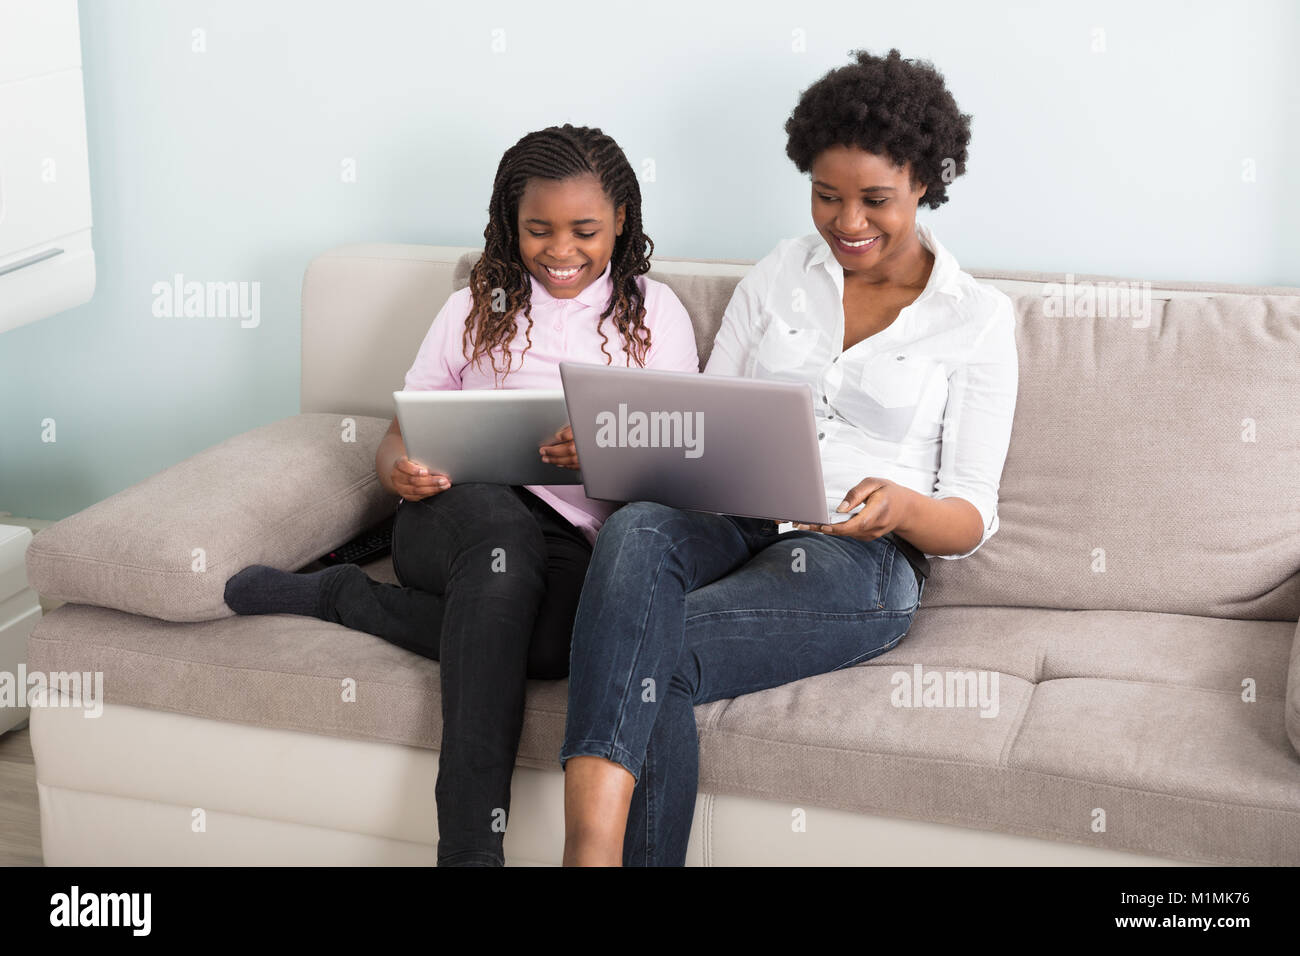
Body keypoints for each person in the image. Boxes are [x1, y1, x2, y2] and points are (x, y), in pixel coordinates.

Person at [559, 49, 1020, 866]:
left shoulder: (976, 319)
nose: (848, 223)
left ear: (925, 183)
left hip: (856, 556)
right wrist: (614, 443)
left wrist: (903, 508)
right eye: (826, 196)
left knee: (645, 650)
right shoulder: (779, 274)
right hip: (734, 513)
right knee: (636, 528)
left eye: (875, 200)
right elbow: (698, 422)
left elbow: (971, 513)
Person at [223, 124, 699, 866]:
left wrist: (608, 448)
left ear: (622, 224)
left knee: (550, 646)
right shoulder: (476, 306)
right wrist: (397, 472)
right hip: (458, 516)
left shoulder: (655, 315)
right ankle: (471, 849)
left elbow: (679, 463)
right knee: (500, 543)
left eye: (585, 231)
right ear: (511, 225)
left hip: (571, 537)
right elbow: (400, 434)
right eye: (538, 230)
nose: (561, 251)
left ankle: (344, 596)